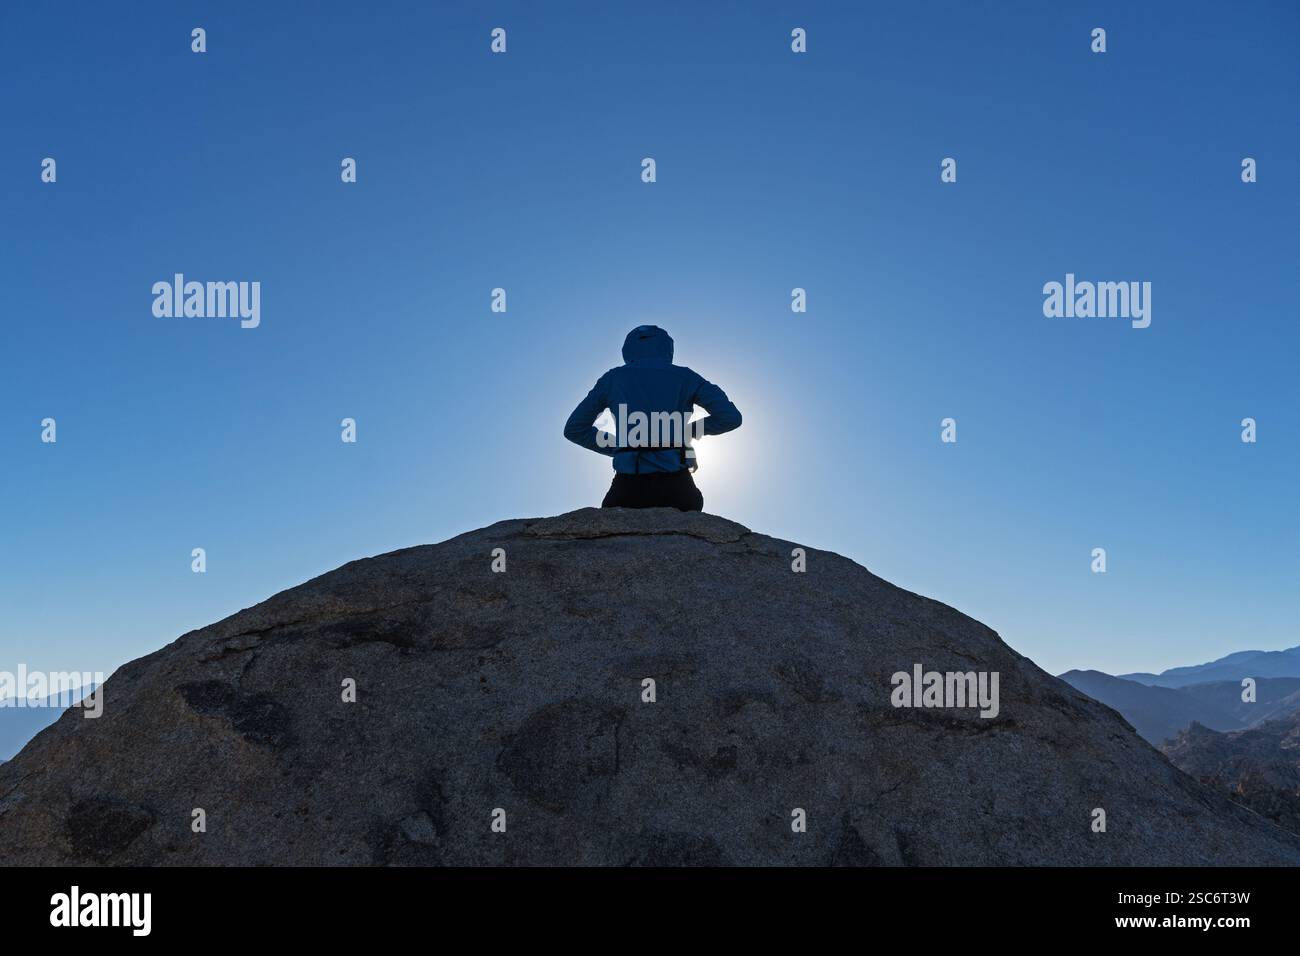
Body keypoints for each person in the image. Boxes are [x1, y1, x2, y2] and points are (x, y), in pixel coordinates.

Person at [564, 325, 741, 511]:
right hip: (677, 487)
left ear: (628, 350)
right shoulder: (687, 377)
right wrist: (687, 432)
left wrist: (620, 447)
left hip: (627, 488)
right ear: (667, 348)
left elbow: (575, 429)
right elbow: (730, 417)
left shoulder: (612, 378)